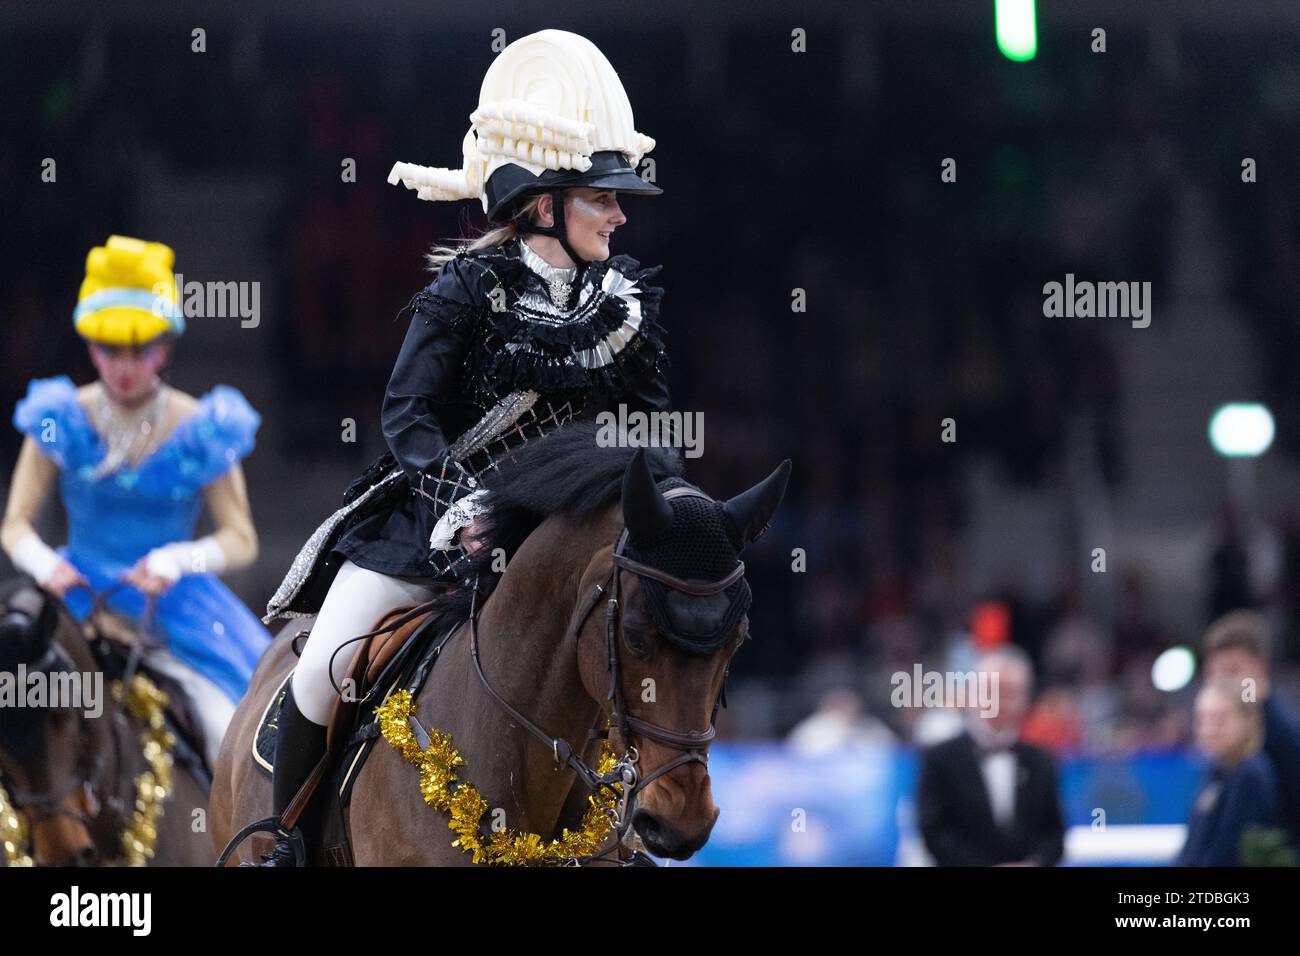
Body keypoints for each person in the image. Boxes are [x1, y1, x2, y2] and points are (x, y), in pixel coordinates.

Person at [253, 29, 672, 866]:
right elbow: (407, 414)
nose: (622, 214)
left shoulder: (621, 309)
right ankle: (285, 847)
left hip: (561, 535)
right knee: (323, 668)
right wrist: (458, 507)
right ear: (544, 202)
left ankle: (636, 821)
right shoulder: (468, 287)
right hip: (441, 519)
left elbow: (647, 433)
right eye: (603, 197)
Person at [1, 235, 270, 769]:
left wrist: (177, 559)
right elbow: (14, 525)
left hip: (173, 605)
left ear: (163, 348)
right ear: (91, 347)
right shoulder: (59, 416)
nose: (124, 366)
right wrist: (44, 563)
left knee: (229, 734)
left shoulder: (202, 428)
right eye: (109, 350)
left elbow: (241, 538)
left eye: (139, 349)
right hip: (76, 594)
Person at [917, 645, 1066, 866]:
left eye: (1010, 693)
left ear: (1026, 698)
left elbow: (1054, 833)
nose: (1000, 702)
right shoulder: (941, 758)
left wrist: (1033, 863)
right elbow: (935, 832)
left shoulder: (1042, 761)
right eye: (992, 690)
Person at [1200, 609, 1300, 853]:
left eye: (1233, 671)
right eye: (1215, 673)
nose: (1223, 682)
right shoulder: (1223, 741)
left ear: (1260, 668)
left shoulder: (1288, 737)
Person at [1176, 678, 1281, 866]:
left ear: (1246, 719)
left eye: (1219, 719)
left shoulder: (1250, 774)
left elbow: (1227, 853)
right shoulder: (1217, 772)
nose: (1208, 730)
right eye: (1201, 720)